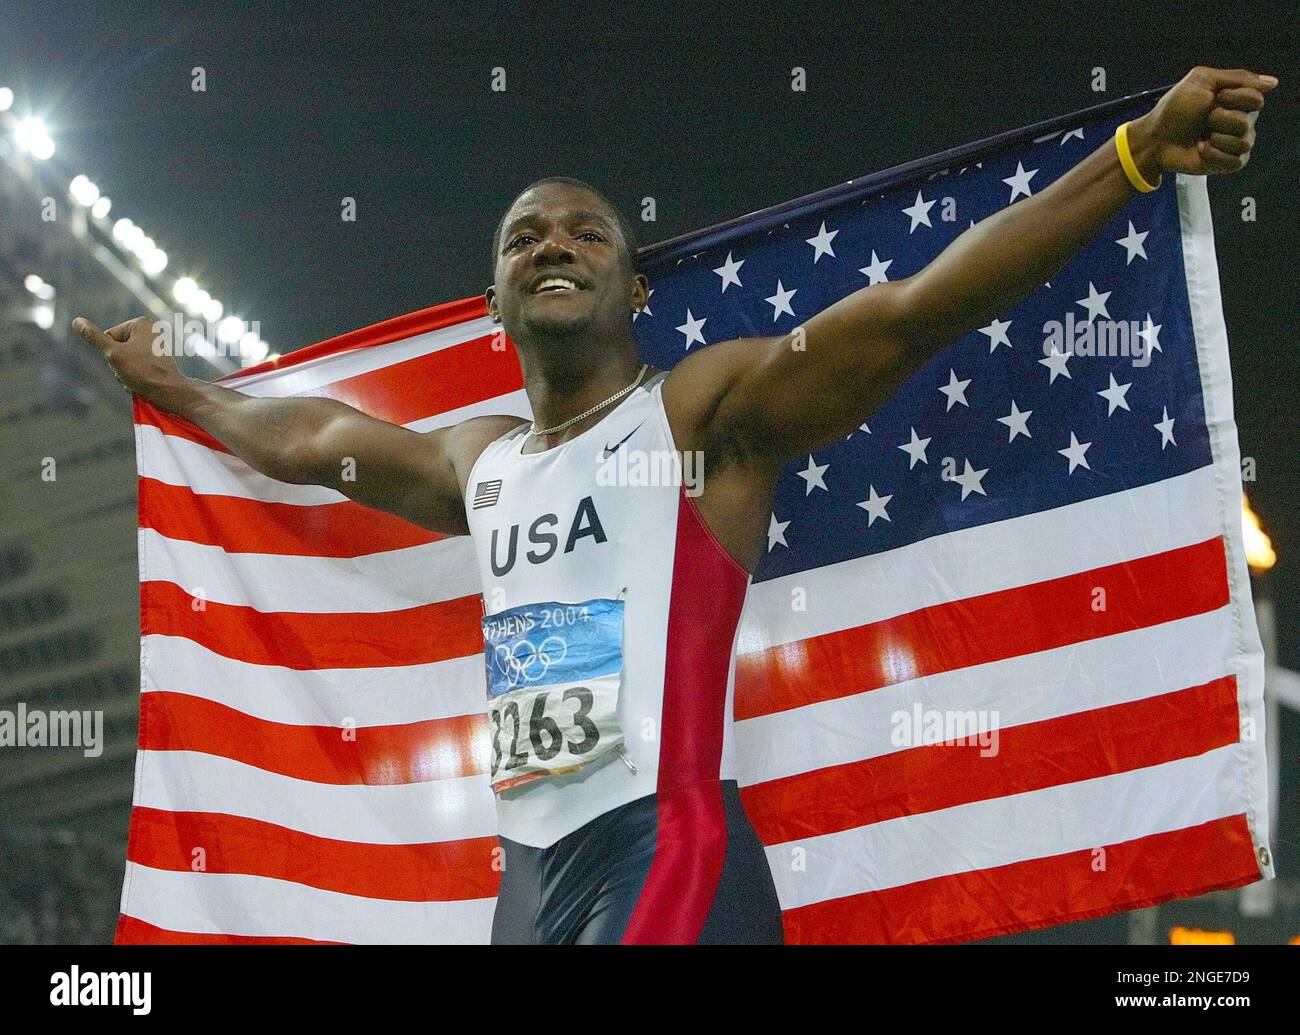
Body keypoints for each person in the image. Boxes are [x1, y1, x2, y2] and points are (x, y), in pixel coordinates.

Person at [74, 66, 1275, 944]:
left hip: (670, 851)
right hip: (527, 884)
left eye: (587, 233)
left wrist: (1128, 158)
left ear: (634, 285)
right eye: (524, 237)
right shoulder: (478, 466)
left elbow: (916, 308)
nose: (555, 245)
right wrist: (171, 384)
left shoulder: (700, 419)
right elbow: (313, 441)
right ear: (492, 300)